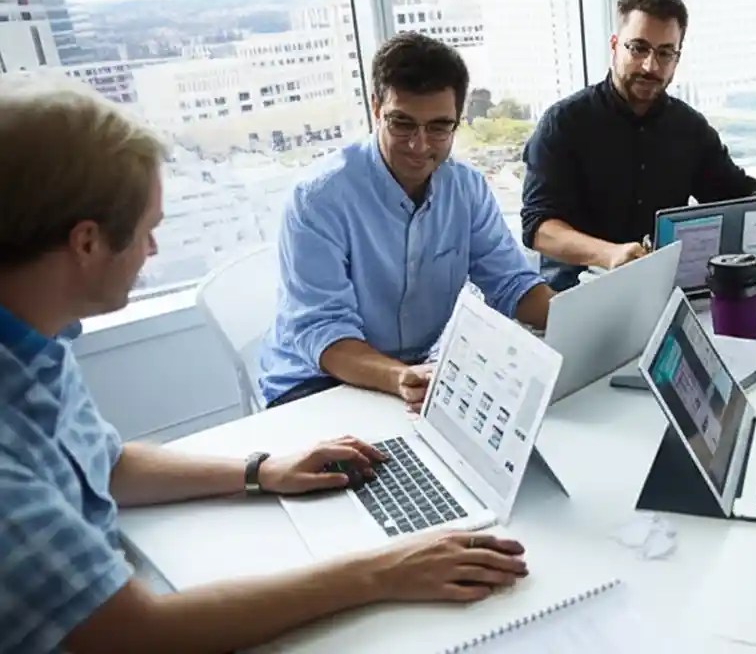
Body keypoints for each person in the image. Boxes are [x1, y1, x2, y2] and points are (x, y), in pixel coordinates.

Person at [0, 77, 529, 654]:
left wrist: (260, 470)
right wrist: (383, 571)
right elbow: (134, 633)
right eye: (149, 230)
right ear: (86, 243)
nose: (152, 252)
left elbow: (105, 464)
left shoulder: (36, 345)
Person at [260, 33, 555, 409]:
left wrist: (580, 322)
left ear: (457, 122)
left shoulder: (467, 189)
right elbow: (323, 331)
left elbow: (512, 285)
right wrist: (401, 377)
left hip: (411, 374)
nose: (420, 145)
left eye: (438, 127)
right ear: (375, 109)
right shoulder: (318, 200)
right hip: (315, 382)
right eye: (402, 124)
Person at [520, 0, 756, 291]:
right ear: (615, 46)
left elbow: (733, 194)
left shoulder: (690, 128)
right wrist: (609, 254)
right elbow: (538, 227)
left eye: (665, 53)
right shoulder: (563, 123)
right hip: (577, 292)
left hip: (660, 291)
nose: (651, 66)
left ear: (677, 58)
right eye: (638, 48)